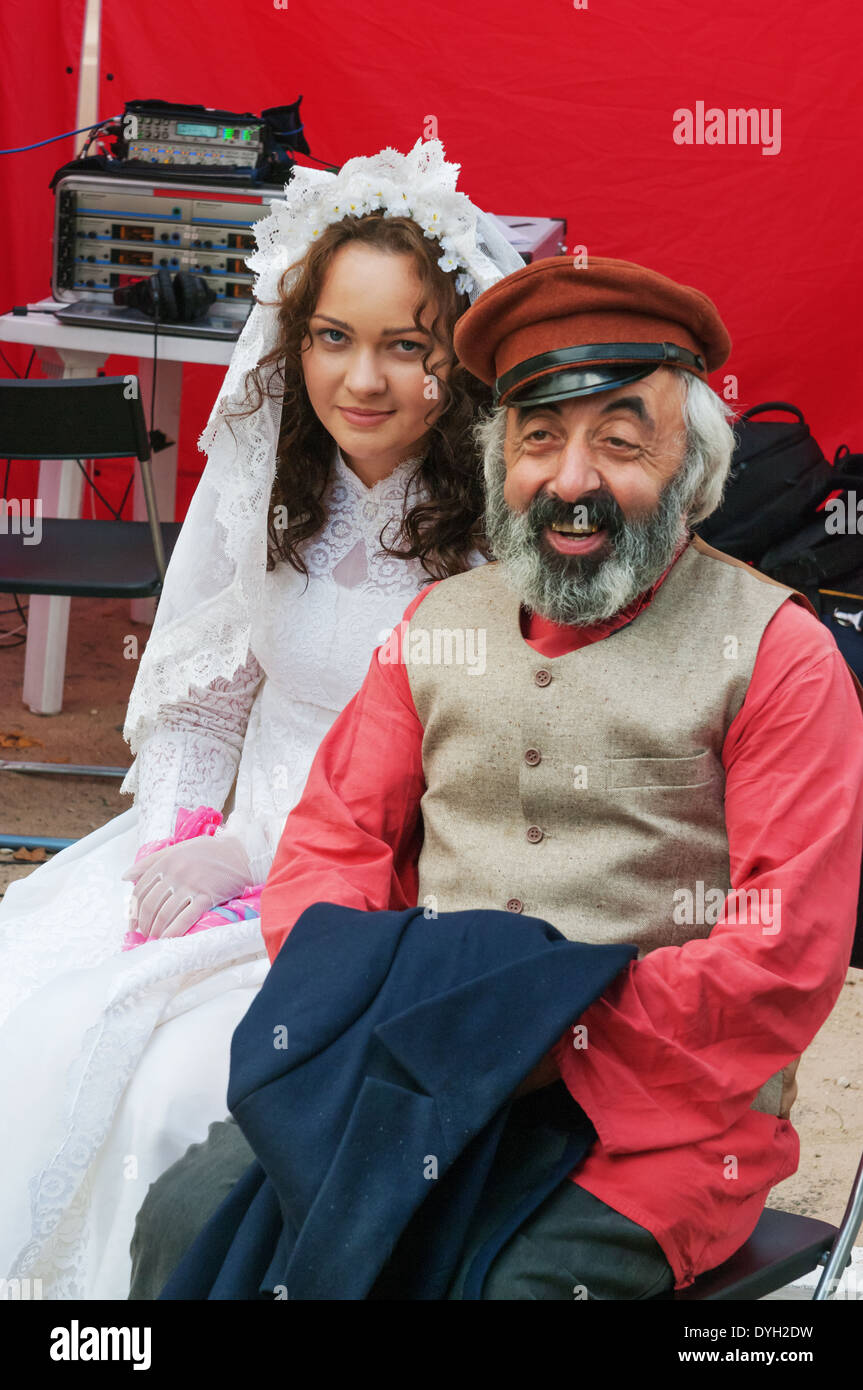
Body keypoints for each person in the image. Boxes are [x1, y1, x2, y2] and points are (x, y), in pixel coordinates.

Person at [129, 254, 863, 1300]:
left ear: (691, 464)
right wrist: (386, 1007)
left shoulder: (778, 655)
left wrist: (531, 1033)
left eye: (618, 440)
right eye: (537, 439)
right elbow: (329, 851)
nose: (570, 480)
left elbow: (778, 957)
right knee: (188, 1218)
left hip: (648, 1130)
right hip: (406, 1083)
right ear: (498, 465)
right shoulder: (437, 627)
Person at [0, 138, 524, 1299]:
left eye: (405, 344)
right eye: (333, 337)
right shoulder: (271, 478)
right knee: (23, 996)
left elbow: (478, 777)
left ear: (457, 354)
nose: (362, 380)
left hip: (386, 892)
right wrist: (175, 844)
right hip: (215, 851)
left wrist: (258, 858)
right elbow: (203, 696)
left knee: (187, 1082)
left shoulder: (502, 524)